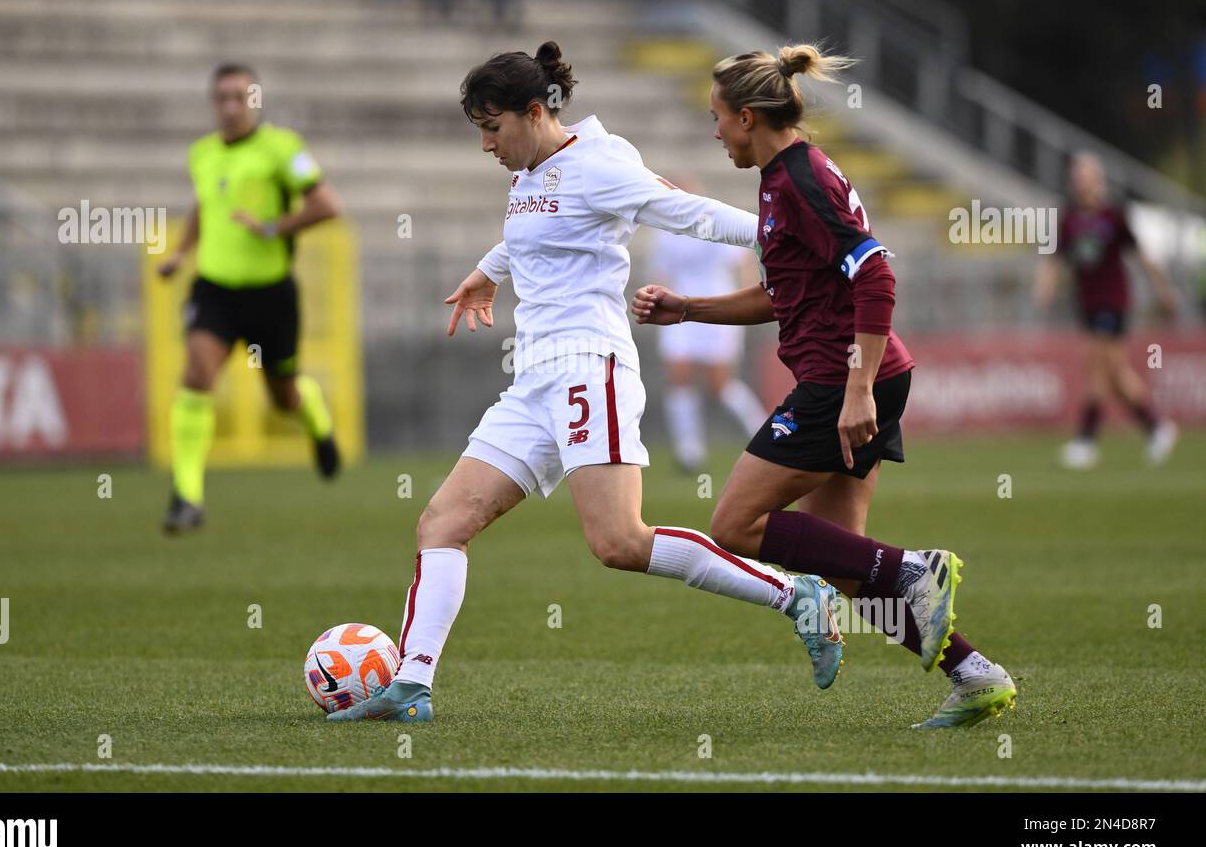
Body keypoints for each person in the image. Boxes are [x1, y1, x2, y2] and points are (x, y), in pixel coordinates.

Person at [328, 41, 851, 724]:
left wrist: (781, 235)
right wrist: (490, 268)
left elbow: (689, 211)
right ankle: (412, 684)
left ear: (534, 110)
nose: (486, 145)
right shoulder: (531, 170)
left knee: (619, 543)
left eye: (493, 128)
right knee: (442, 523)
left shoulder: (599, 164)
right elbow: (532, 227)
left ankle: (796, 596)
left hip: (589, 370)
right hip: (534, 381)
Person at [634, 45, 1016, 729]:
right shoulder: (789, 174)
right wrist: (689, 308)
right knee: (848, 563)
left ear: (748, 117)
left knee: (733, 524)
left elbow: (876, 276)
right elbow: (787, 293)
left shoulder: (798, 181)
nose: (714, 132)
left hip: (844, 381)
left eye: (717, 118)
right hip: (865, 376)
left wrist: (857, 389)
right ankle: (973, 672)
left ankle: (915, 570)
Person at [157, 62, 343, 533]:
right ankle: (187, 497)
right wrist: (180, 253)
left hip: (271, 295)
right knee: (196, 375)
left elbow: (325, 206)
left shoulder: (282, 149)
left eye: (240, 97)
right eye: (222, 98)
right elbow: (204, 205)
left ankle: (315, 417)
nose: (230, 106)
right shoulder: (202, 154)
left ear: (255, 101)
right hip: (215, 289)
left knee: (282, 397)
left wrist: (272, 227)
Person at [1034, 152, 1180, 469]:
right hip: (1087, 303)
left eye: (1085, 176)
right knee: (1115, 375)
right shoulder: (1069, 218)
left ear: (1097, 180)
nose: (1080, 183)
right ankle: (1157, 427)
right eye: (1076, 177)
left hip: (1112, 302)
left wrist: (1164, 290)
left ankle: (1086, 441)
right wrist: (1045, 287)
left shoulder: (1113, 215)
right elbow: (1055, 258)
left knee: (1097, 369)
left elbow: (1142, 255)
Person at [645, 182, 767, 473]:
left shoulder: (711, 220)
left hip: (717, 305)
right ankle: (689, 451)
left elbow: (743, 261)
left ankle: (763, 432)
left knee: (719, 383)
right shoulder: (664, 231)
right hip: (678, 308)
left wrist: (748, 301)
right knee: (679, 374)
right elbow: (660, 270)